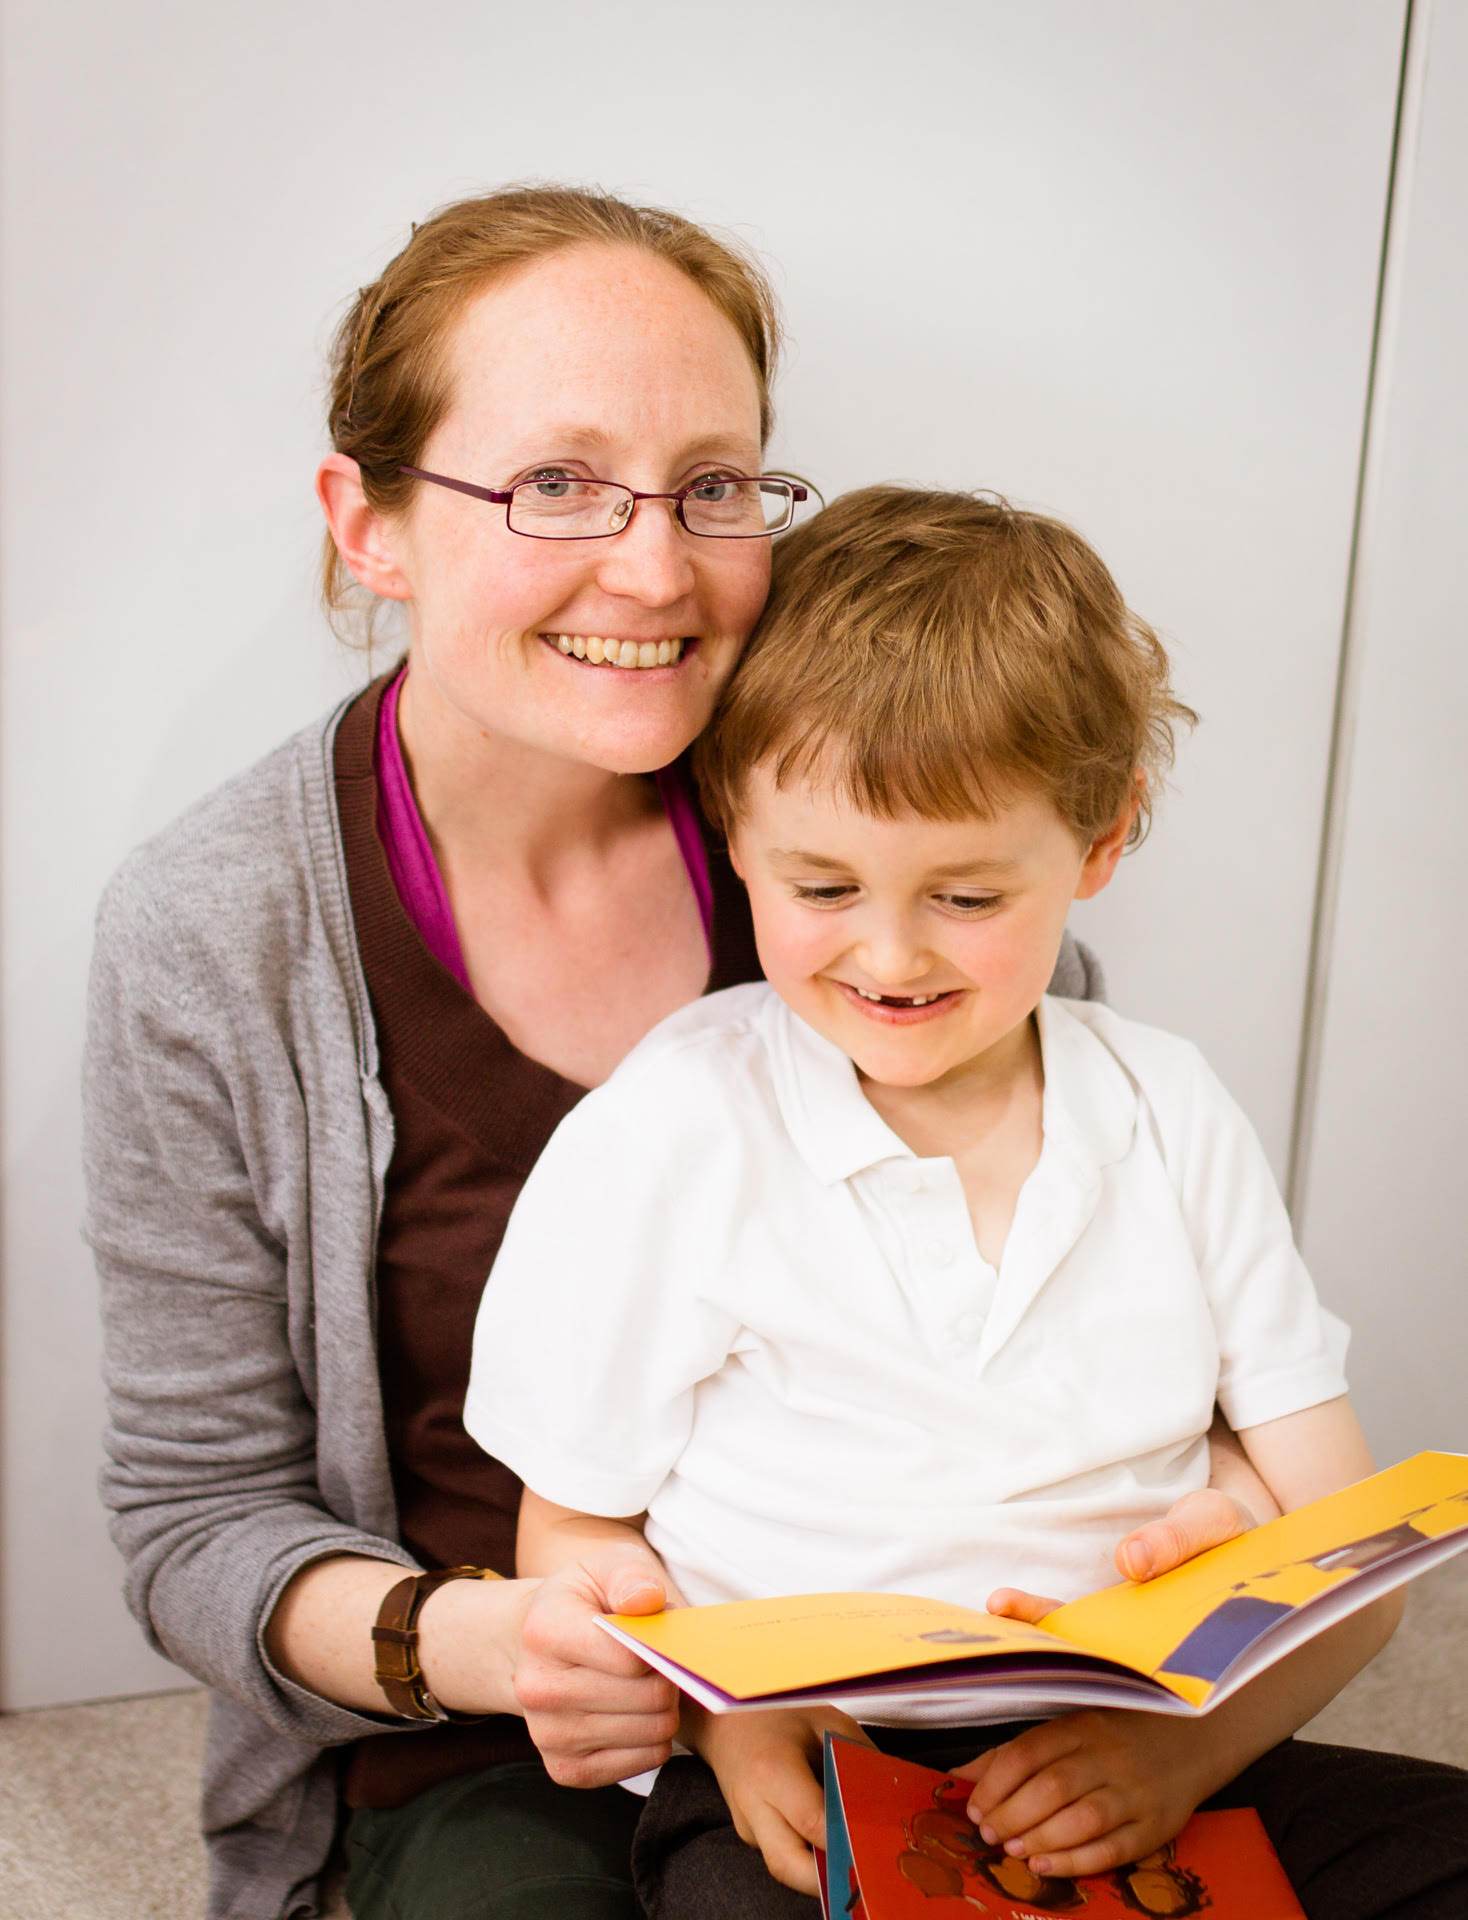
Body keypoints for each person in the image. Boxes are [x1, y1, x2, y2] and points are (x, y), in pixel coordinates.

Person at [88, 186, 1189, 1920]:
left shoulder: (875, 843)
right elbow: (194, 1520)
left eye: (713, 485)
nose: (658, 566)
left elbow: (1101, 1310)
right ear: (369, 524)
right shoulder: (217, 934)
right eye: (554, 483)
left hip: (917, 1695)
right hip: (501, 1743)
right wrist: (483, 1640)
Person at [463, 487, 1468, 1919]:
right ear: (733, 833)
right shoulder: (676, 1127)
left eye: (969, 899)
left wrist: (1176, 1760)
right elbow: (572, 1541)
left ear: (1100, 845)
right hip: (804, 1756)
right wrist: (728, 1723)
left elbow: (1353, 1560)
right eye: (821, 883)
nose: (889, 954)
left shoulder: (1166, 1106)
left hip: (1152, 1729)